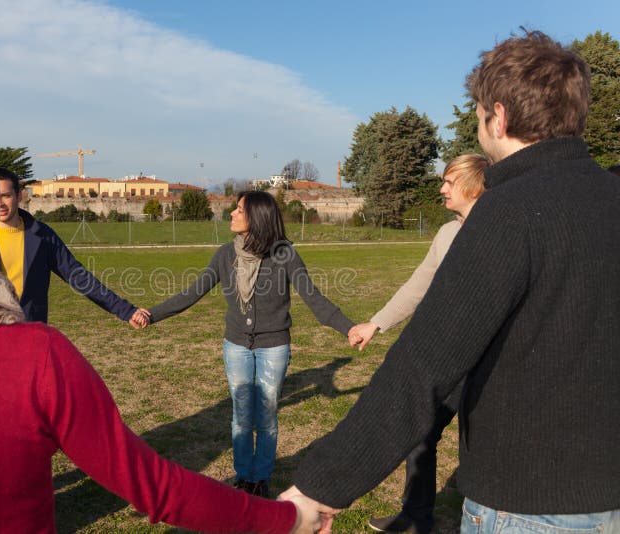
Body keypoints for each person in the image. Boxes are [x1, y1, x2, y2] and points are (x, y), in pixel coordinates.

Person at [0, 126, 329, 533]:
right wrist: (284, 520)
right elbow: (155, 488)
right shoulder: (36, 360)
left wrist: (129, 308)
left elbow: (80, 277)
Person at [282, 30, 620, 533]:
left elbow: (422, 367)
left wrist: (318, 488)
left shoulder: (508, 212)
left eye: (481, 113)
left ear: (498, 117)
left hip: (528, 506)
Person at [147, 191, 362, 498]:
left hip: (274, 345)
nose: (232, 214)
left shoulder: (284, 254)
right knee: (242, 414)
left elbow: (313, 298)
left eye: (238, 210)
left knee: (267, 413)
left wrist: (348, 328)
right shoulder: (225, 255)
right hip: (235, 345)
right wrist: (151, 315)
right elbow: (192, 293)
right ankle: (244, 475)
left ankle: (261, 477)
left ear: (257, 218)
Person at [351, 154, 488, 534]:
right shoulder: (446, 234)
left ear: (474, 184)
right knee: (421, 435)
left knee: (483, 445)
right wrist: (375, 324)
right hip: (449, 360)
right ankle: (416, 518)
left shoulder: (501, 230)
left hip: (492, 362)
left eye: (449, 181)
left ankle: (483, 521)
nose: (441, 188)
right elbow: (419, 284)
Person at [0, 167, 149, 327]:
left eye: (6, 196)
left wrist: (125, 310)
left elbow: (79, 277)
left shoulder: (42, 236)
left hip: (29, 334)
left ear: (18, 196)